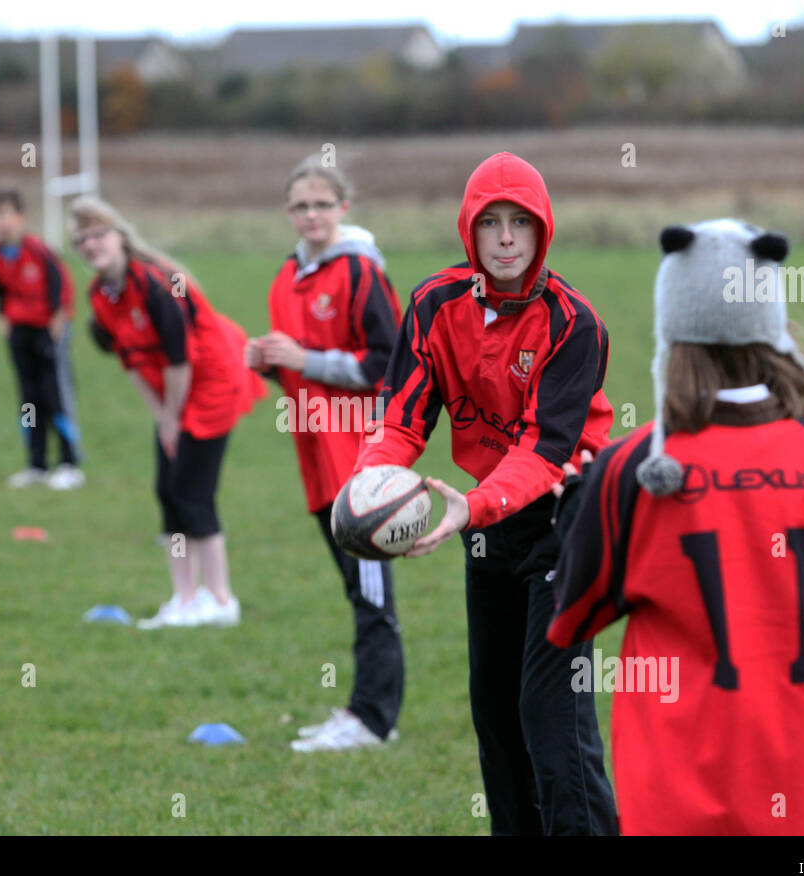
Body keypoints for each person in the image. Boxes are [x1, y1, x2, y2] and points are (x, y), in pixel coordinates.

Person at [548, 219, 804, 835]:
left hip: (675, 774)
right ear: (773, 328)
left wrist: (575, 508)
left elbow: (573, 615)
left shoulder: (635, 468)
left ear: (672, 331)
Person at [351, 152, 618, 835]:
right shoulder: (434, 305)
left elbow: (546, 451)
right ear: (468, 230)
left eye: (520, 224)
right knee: (495, 716)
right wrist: (372, 475)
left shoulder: (574, 323)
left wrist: (472, 507)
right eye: (490, 222)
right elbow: (404, 416)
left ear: (542, 231)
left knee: (549, 715)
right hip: (488, 521)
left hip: (567, 518)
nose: (505, 238)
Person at [249, 156, 406, 752]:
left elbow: (388, 363)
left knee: (371, 595)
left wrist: (304, 360)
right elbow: (301, 371)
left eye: (322, 204)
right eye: (300, 206)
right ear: (288, 213)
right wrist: (270, 365)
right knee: (354, 589)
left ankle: (371, 720)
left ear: (343, 208)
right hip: (316, 458)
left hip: (360, 462)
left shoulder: (361, 273)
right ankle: (362, 713)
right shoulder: (285, 278)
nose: (311, 215)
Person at [70, 195, 265, 628]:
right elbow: (131, 360)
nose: (91, 244)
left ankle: (220, 600)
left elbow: (180, 358)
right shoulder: (101, 296)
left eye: (99, 233)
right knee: (168, 492)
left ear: (119, 236)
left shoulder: (158, 284)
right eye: (82, 240)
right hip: (175, 394)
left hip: (212, 379)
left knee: (193, 493)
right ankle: (184, 598)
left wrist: (173, 417)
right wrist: (161, 416)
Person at [0, 189, 84, 490]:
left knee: (55, 395)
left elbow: (60, 284)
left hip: (48, 329)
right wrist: (4, 318)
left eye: (5, 214)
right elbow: (0, 292)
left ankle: (69, 463)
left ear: (20, 217)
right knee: (28, 399)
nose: (0, 222)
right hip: (20, 332)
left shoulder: (39, 252)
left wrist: (58, 318)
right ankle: (36, 464)